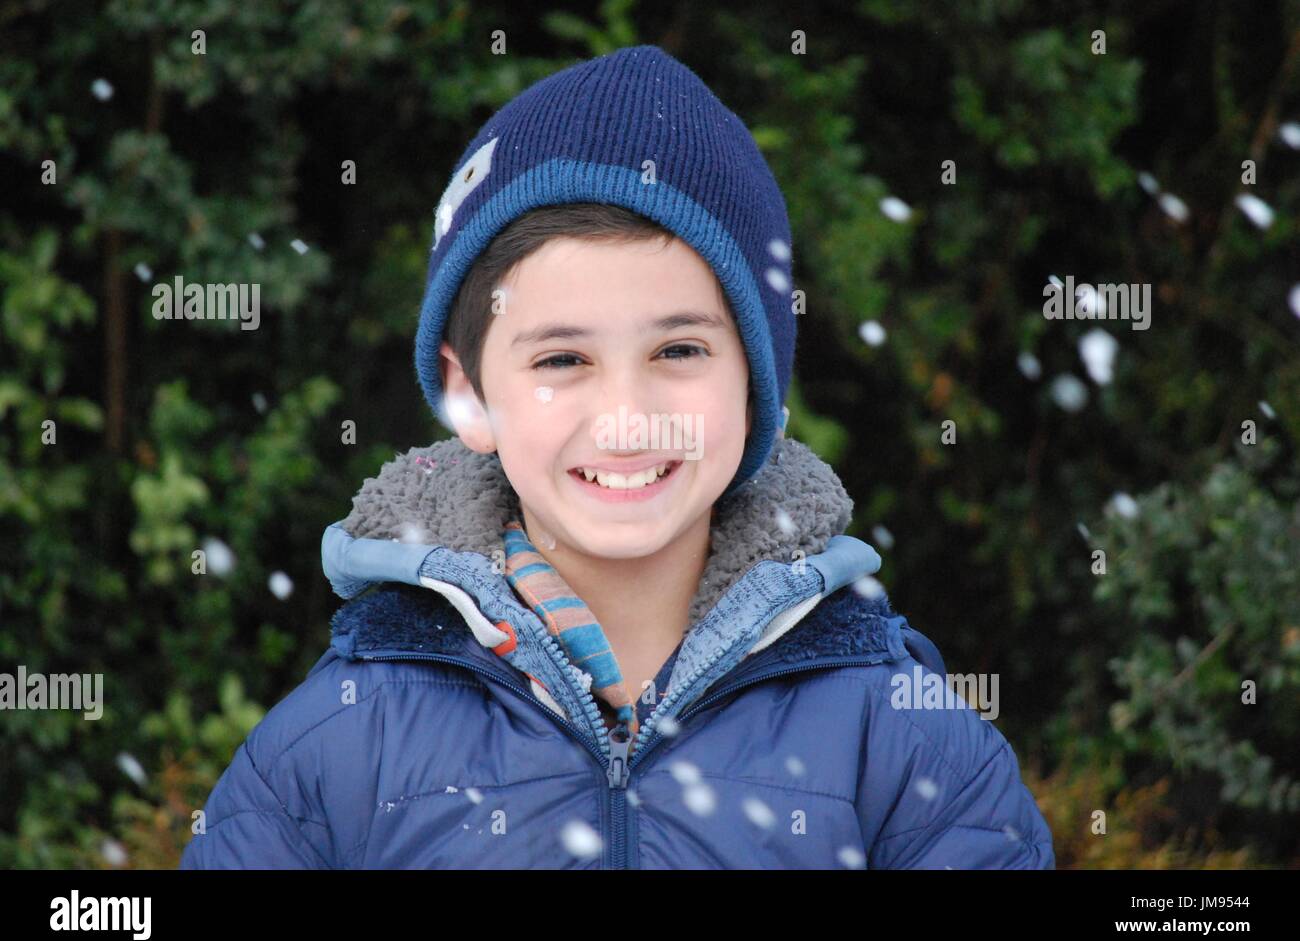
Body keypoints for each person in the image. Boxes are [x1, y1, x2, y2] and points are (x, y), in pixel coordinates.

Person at [180, 44, 1054, 869]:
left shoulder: (898, 738)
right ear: (467, 396)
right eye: (563, 360)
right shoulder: (342, 742)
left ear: (757, 384)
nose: (629, 420)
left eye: (679, 352)